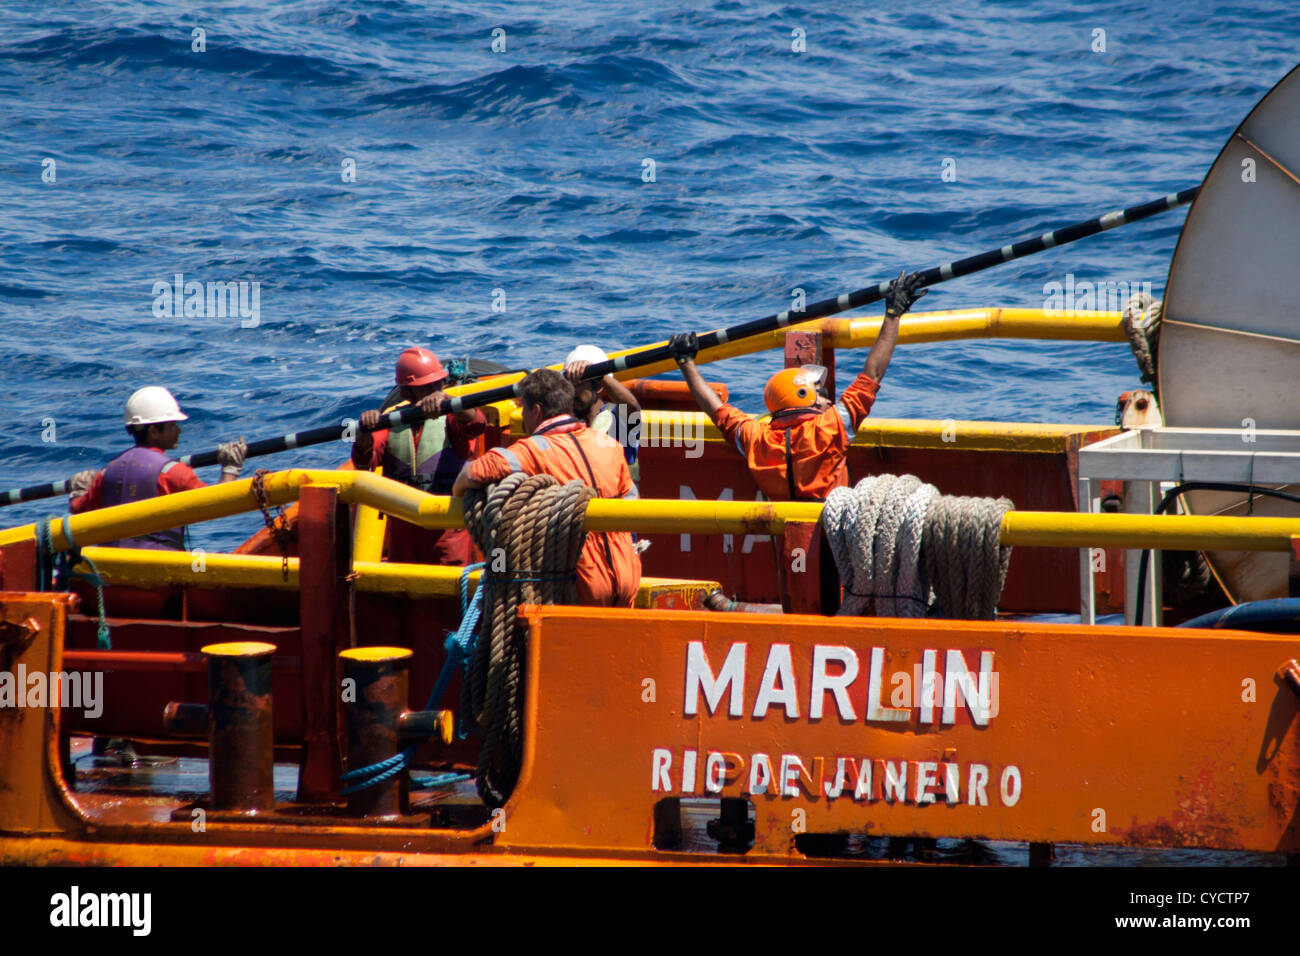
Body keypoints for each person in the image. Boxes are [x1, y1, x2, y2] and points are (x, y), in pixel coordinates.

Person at [669, 270, 927, 502]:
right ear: (804, 398)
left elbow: (716, 409)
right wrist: (894, 314)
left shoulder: (756, 438)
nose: (828, 400)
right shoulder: (831, 426)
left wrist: (685, 361)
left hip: (786, 535)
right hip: (831, 534)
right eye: (821, 394)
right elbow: (873, 374)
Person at [451, 368, 641, 607]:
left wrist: (457, 494)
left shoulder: (530, 450)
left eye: (524, 409)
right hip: (628, 574)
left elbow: (472, 474)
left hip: (580, 579)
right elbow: (631, 500)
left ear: (537, 411)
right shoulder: (609, 445)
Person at [352, 346, 487, 565]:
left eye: (437, 384)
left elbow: (476, 424)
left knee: (450, 587)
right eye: (427, 387)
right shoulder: (391, 420)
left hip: (447, 526)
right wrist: (363, 431)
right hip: (403, 528)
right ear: (406, 392)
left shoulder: (452, 416)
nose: (434, 389)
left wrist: (446, 400)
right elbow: (364, 461)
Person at [68, 386, 246, 549]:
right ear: (153, 431)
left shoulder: (107, 473)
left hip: (109, 570)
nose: (179, 431)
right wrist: (230, 468)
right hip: (160, 571)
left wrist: (79, 490)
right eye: (173, 425)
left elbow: (78, 511)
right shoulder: (174, 473)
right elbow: (216, 504)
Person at [563, 343, 643, 478]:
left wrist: (599, 374)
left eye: (579, 383)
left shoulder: (619, 419)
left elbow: (633, 407)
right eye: (569, 383)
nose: (572, 390)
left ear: (599, 386)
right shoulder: (565, 420)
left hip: (614, 497)